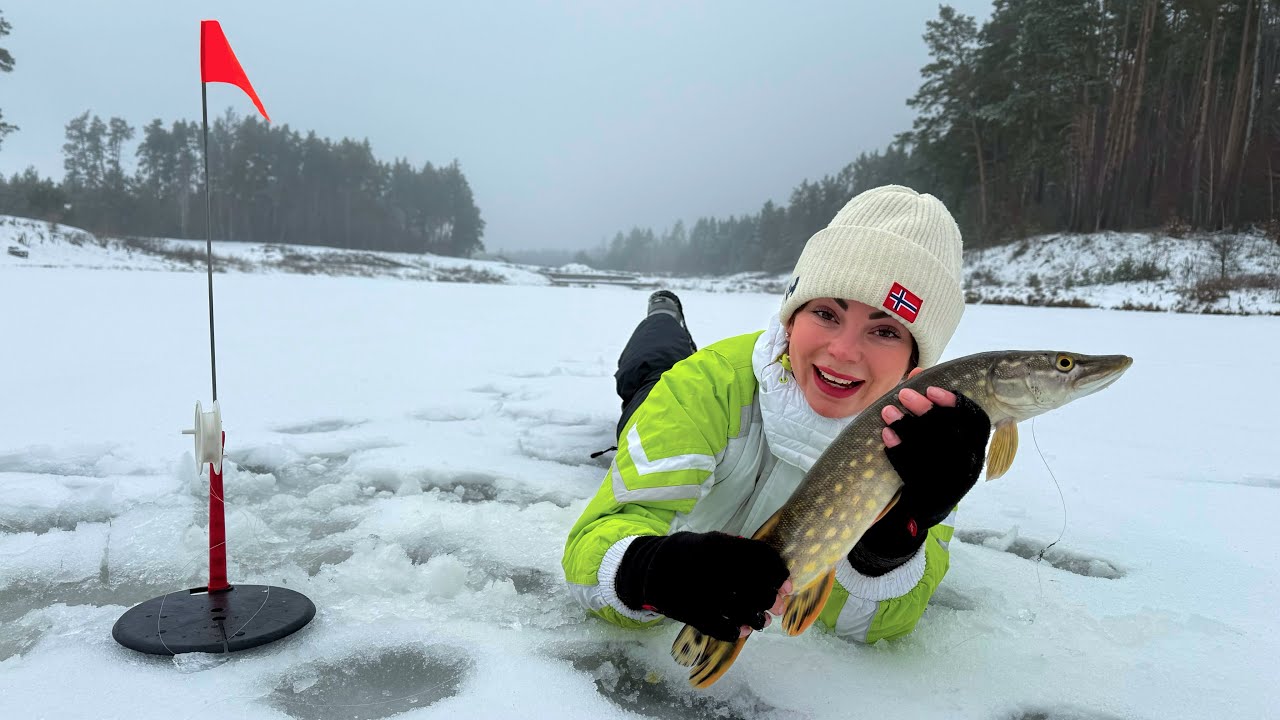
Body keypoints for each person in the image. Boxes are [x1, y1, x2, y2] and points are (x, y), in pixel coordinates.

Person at [562, 184, 991, 645]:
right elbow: (592, 555)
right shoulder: (705, 384)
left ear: (915, 364)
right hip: (666, 400)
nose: (843, 351)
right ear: (791, 318)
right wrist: (649, 572)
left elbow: (871, 628)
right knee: (650, 365)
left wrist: (896, 537)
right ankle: (662, 316)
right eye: (826, 314)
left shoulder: (925, 447)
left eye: (885, 331)